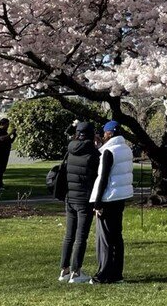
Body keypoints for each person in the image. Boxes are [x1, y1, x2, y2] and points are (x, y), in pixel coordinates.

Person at [89, 120, 133, 284]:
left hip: (108, 197)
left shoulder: (108, 151)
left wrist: (97, 202)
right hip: (120, 197)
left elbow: (103, 178)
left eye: (104, 133)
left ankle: (104, 273)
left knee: (105, 238)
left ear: (109, 133)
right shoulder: (126, 148)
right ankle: (117, 273)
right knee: (116, 236)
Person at [59, 121, 100, 284]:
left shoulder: (71, 148)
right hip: (84, 199)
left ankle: (64, 270)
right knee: (81, 237)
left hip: (70, 197)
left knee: (69, 235)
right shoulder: (93, 153)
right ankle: (76, 272)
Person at [0, 118, 17, 190]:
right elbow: (1, 138)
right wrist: (11, 133)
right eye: (7, 124)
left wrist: (14, 136)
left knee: (2, 169)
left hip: (5, 153)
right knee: (0, 169)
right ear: (3, 124)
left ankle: (0, 183)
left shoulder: (5, 132)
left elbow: (10, 141)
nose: (8, 126)